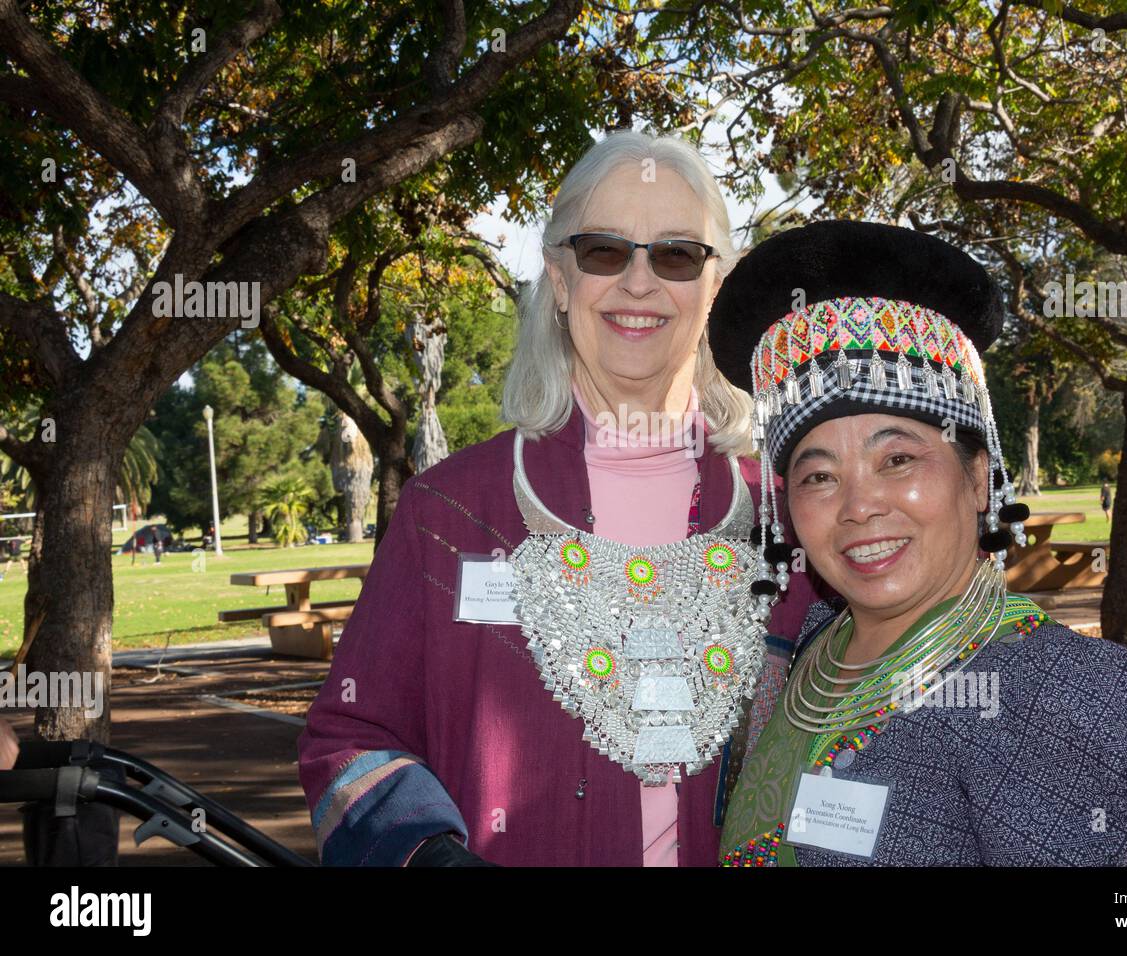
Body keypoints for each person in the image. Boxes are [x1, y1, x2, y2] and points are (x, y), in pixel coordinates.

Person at [297, 130, 820, 867]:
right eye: (605, 250)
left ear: (715, 284)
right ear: (561, 277)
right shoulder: (447, 514)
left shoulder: (796, 520)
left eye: (675, 255)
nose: (639, 283)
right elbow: (349, 736)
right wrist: (423, 855)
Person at [709, 220, 1127, 865]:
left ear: (977, 477)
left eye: (898, 461)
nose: (860, 507)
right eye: (820, 476)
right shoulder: (809, 653)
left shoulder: (1059, 698)